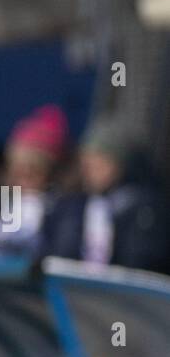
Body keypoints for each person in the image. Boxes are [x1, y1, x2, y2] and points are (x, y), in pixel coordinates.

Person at [39, 117, 170, 275]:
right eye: (86, 164)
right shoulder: (71, 206)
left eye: (98, 164)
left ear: (120, 164)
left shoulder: (146, 210)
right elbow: (54, 256)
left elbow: (142, 264)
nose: (89, 172)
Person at [0, 104, 72, 260]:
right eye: (16, 173)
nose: (21, 181)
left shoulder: (58, 211)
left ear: (49, 175)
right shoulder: (3, 207)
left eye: (31, 174)